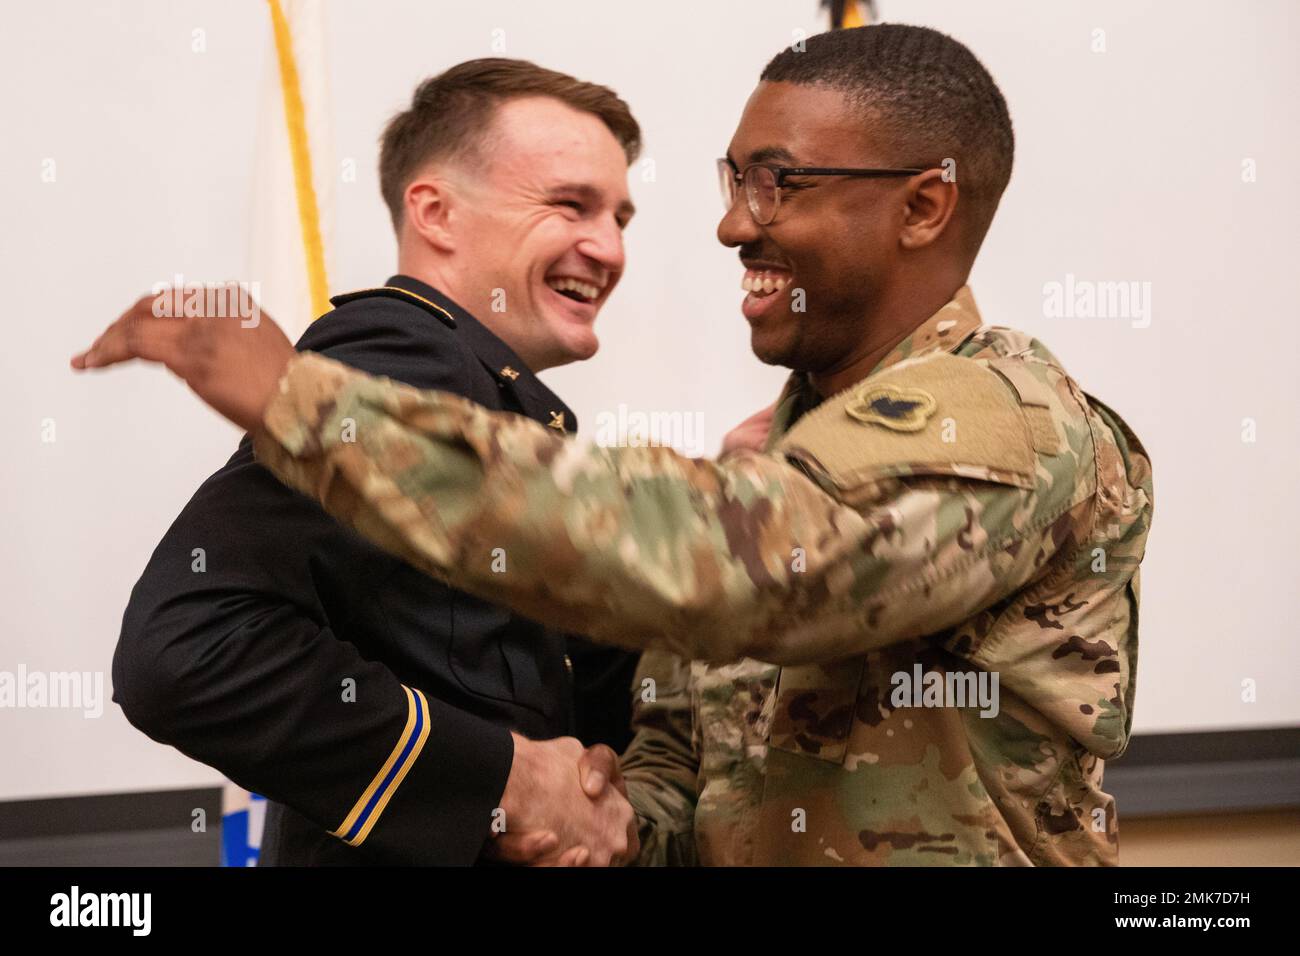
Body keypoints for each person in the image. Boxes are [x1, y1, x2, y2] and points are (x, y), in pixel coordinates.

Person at [75, 25, 1154, 866]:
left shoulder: (1004, 418)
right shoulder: (429, 358)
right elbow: (687, 761)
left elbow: (735, 570)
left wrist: (310, 407)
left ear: (921, 205)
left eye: (777, 182)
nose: (732, 224)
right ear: (432, 209)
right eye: (732, 180)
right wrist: (562, 806)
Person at [97, 58, 643, 866]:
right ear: (436, 213)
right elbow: (184, 651)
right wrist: (509, 781)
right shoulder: (407, 357)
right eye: (571, 205)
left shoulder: (491, 390)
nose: (608, 248)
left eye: (622, 218)